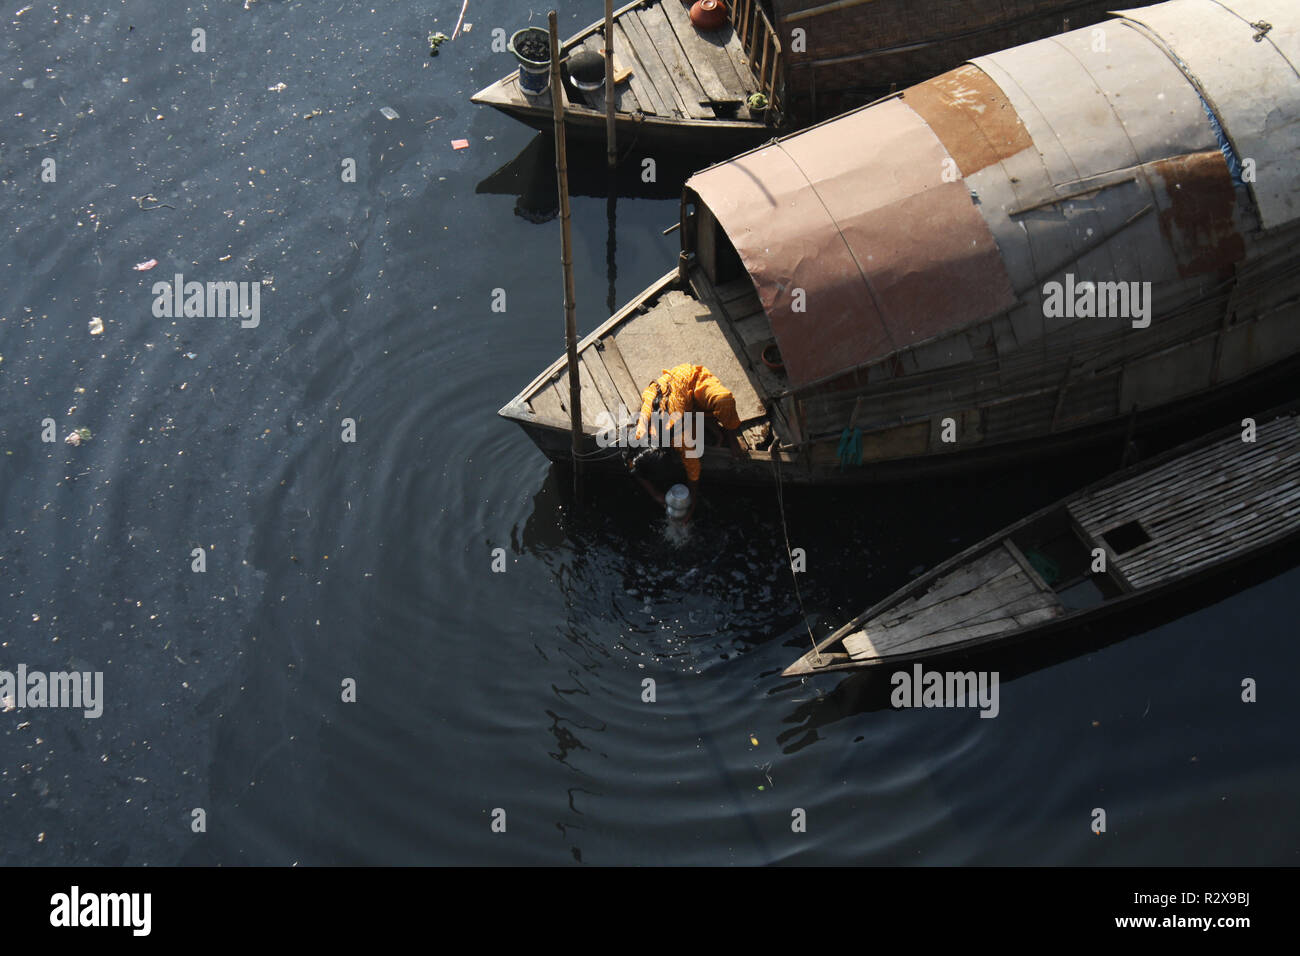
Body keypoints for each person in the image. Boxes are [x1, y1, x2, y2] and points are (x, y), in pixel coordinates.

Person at [625, 364, 746, 518]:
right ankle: (705, 420)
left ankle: (729, 435)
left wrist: (691, 504)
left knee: (724, 400)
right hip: (684, 410)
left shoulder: (680, 437)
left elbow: (693, 470)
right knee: (698, 431)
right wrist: (655, 494)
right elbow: (631, 462)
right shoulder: (639, 434)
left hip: (691, 383)